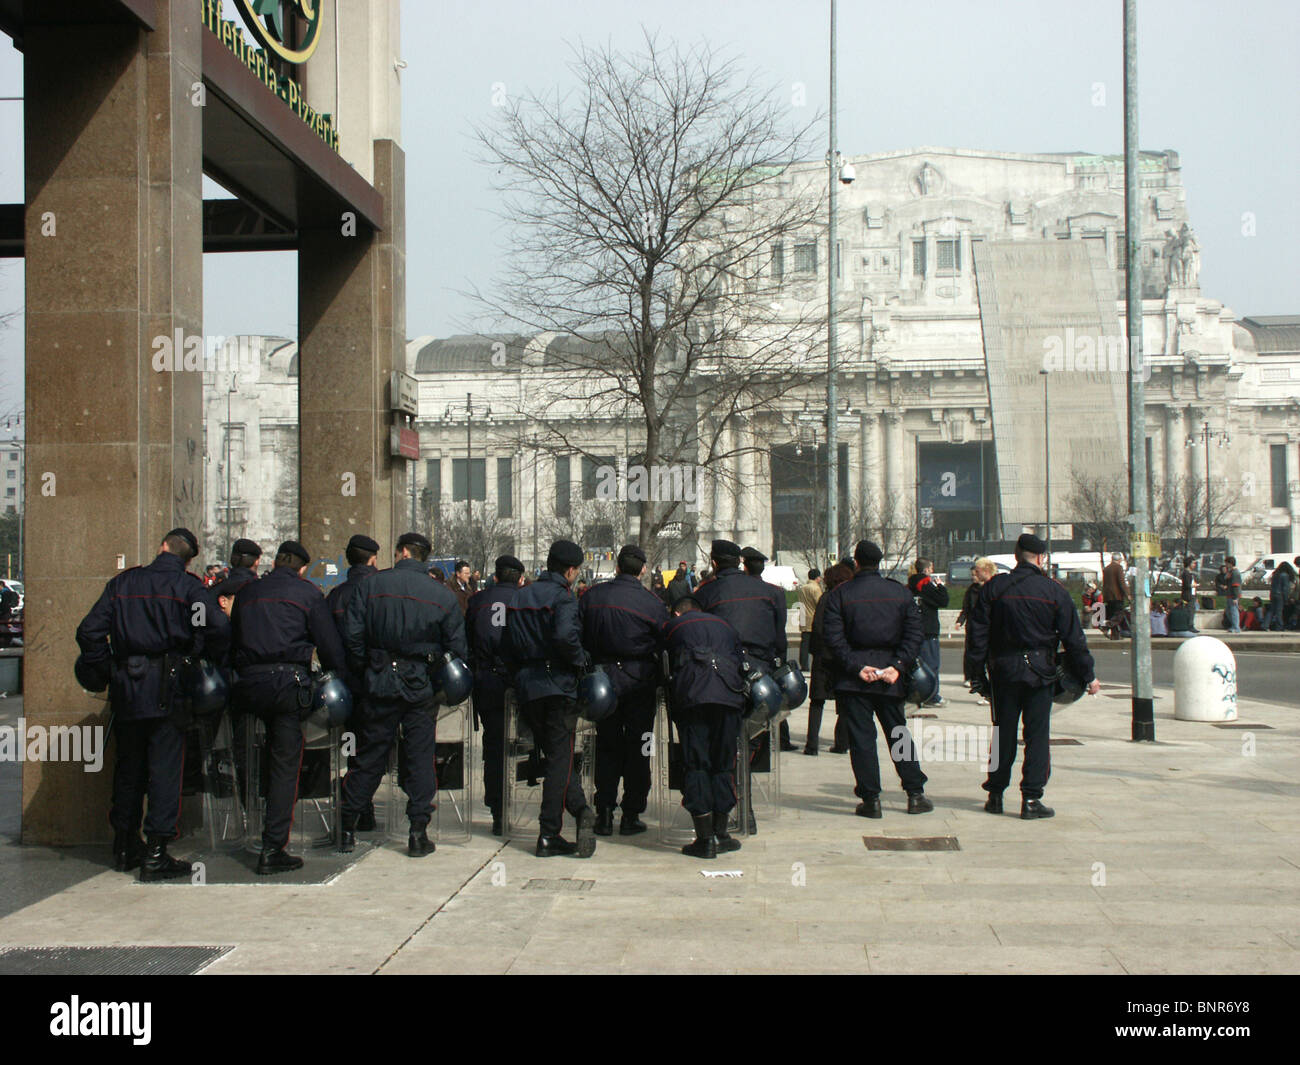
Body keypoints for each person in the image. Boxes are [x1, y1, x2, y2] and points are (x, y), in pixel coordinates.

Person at [76, 528, 228, 880]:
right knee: (165, 770)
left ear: (162, 547)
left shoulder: (124, 584)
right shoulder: (188, 588)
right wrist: (197, 652)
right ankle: (156, 852)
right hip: (168, 687)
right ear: (188, 559)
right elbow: (215, 627)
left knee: (128, 769)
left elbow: (89, 631)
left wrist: (106, 669)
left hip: (127, 687)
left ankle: (126, 844)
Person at [339, 532, 467, 857]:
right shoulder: (442, 595)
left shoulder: (370, 586)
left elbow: (351, 636)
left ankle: (347, 826)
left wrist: (369, 665)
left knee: (370, 756)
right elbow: (456, 649)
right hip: (420, 684)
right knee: (421, 756)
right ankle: (417, 831)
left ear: (402, 552)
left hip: (380, 679)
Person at [230, 540, 348, 874]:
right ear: (300, 567)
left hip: (249, 684)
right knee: (284, 764)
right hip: (287, 685)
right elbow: (329, 646)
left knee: (248, 754)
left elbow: (233, 638)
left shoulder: (249, 593)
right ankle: (272, 846)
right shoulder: (308, 594)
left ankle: (247, 819)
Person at [963, 532, 1101, 819]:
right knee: (1037, 735)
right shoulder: (1054, 591)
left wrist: (975, 673)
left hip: (1003, 670)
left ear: (1016, 556)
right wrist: (1088, 675)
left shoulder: (994, 588)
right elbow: (1074, 638)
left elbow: (977, 634)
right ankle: (1031, 799)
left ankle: (996, 794)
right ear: (1041, 558)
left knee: (1003, 732)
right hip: (1040, 671)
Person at [821, 540, 933, 817]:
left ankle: (871, 799)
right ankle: (915, 792)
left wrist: (856, 666)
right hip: (889, 673)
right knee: (898, 733)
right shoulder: (898, 593)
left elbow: (833, 638)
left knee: (862, 739)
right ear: (879, 562)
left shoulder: (840, 594)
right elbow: (914, 634)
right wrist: (898, 665)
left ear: (856, 562)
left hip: (855, 676)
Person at [502, 539, 598, 858]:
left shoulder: (520, 596)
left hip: (528, 686)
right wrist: (580, 659)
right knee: (561, 757)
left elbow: (509, 643)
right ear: (570, 571)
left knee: (557, 757)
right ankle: (548, 832)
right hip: (556, 684)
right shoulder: (563, 598)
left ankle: (581, 811)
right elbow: (564, 637)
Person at [694, 539, 788, 830]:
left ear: (714, 562)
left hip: (722, 676)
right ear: (740, 562)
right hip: (761, 676)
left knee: (723, 746)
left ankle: (729, 811)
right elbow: (780, 640)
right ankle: (743, 809)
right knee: (748, 742)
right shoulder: (772, 593)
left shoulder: (706, 593)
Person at [578, 544, 668, 837]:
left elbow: (578, 635)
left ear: (617, 567)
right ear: (642, 569)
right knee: (641, 746)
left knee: (606, 745)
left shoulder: (592, 596)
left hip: (603, 681)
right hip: (639, 682)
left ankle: (604, 810)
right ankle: (631, 812)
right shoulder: (651, 603)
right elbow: (664, 640)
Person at [662, 596, 747, 859]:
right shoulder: (725, 625)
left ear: (677, 613)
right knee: (723, 762)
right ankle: (721, 832)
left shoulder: (673, 627)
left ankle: (704, 838)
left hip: (693, 698)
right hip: (729, 695)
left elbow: (662, 662)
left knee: (696, 763)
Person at [466, 554, 527, 836]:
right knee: (530, 743)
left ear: (495, 576)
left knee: (494, 748)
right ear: (520, 578)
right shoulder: (527, 599)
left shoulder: (478, 602)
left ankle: (497, 808)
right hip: (521, 681)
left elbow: (466, 642)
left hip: (488, 681)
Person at [324, 534, 381, 831]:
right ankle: (360, 807)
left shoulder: (336, 595)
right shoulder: (381, 590)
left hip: (346, 685)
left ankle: (359, 807)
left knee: (352, 747)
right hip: (377, 680)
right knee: (375, 749)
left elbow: (327, 641)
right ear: (373, 559)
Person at [741, 546, 798, 751]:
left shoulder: (740, 591)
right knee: (772, 702)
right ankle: (776, 742)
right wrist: (779, 658)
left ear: (744, 565)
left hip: (745, 658)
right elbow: (779, 629)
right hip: (768, 656)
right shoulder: (775, 592)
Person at [804, 562, 853, 756]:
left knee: (817, 701)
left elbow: (817, 628)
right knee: (845, 703)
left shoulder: (825, 598)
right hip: (841, 657)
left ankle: (812, 745)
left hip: (823, 657)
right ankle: (842, 743)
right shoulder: (847, 598)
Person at [907, 558, 949, 708]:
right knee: (932, 664)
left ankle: (913, 692)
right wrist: (940, 587)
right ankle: (931, 695)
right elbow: (943, 601)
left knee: (915, 664)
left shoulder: (909, 585)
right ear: (927, 569)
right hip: (928, 630)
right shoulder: (926, 584)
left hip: (913, 630)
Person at [796, 568, 823, 673]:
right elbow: (819, 603)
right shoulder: (815, 588)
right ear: (817, 578)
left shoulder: (802, 588)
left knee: (804, 644)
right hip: (813, 618)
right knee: (815, 643)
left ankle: (804, 665)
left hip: (803, 617)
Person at [956, 559, 995, 630]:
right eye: (973, 575)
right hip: (973, 625)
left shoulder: (993, 588)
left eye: (976, 573)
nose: (974, 576)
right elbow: (966, 608)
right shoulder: (971, 589)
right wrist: (960, 621)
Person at [1102, 552, 1128, 632]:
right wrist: (1127, 594)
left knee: (1112, 614)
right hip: (1117, 595)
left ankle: (1115, 635)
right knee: (1119, 613)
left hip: (1108, 596)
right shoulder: (1118, 567)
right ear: (1119, 559)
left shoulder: (1106, 568)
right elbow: (1121, 582)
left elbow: (1105, 583)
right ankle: (1107, 625)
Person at [1266, 561, 1295, 632]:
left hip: (1273, 594)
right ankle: (1280, 626)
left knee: (1271, 611)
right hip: (1280, 595)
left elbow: (1272, 586)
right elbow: (1285, 588)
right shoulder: (1285, 575)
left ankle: (1265, 625)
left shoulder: (1275, 574)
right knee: (1279, 611)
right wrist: (1286, 598)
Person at [1180, 557, 1200, 633]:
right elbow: (1187, 585)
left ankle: (1190, 625)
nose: (1194, 565)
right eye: (1193, 563)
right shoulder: (1186, 573)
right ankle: (1190, 625)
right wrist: (1194, 585)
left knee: (1192, 610)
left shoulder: (1189, 573)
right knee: (1190, 611)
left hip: (1192, 594)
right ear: (1189, 564)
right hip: (1188, 595)